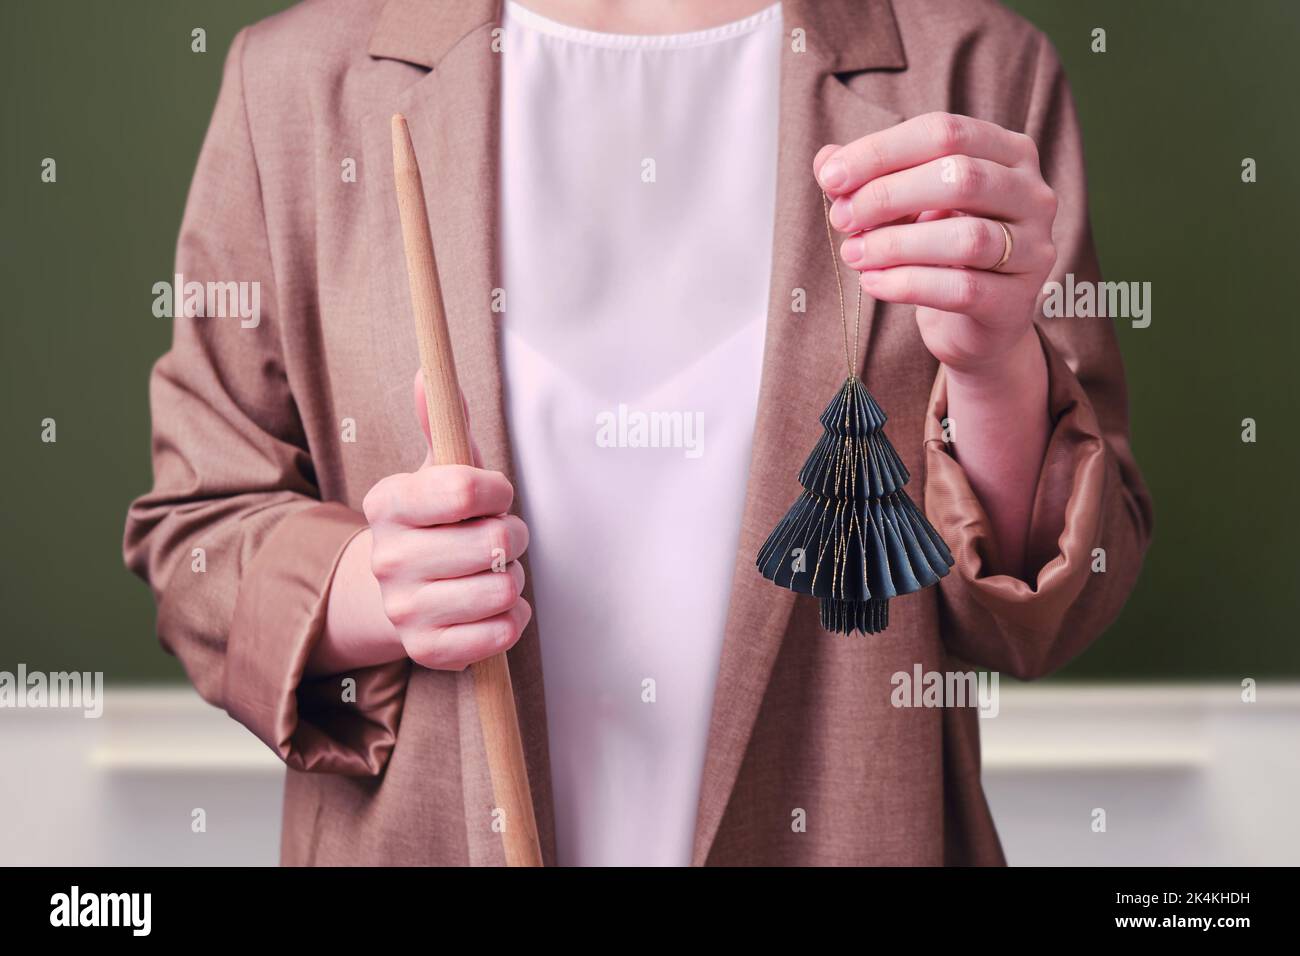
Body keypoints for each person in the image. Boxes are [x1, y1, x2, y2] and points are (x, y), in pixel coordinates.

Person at [124, 0, 1153, 866]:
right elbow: (195, 538)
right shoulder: (298, 83)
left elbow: (1049, 608)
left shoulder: (973, 67)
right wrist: (366, 586)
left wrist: (991, 368)